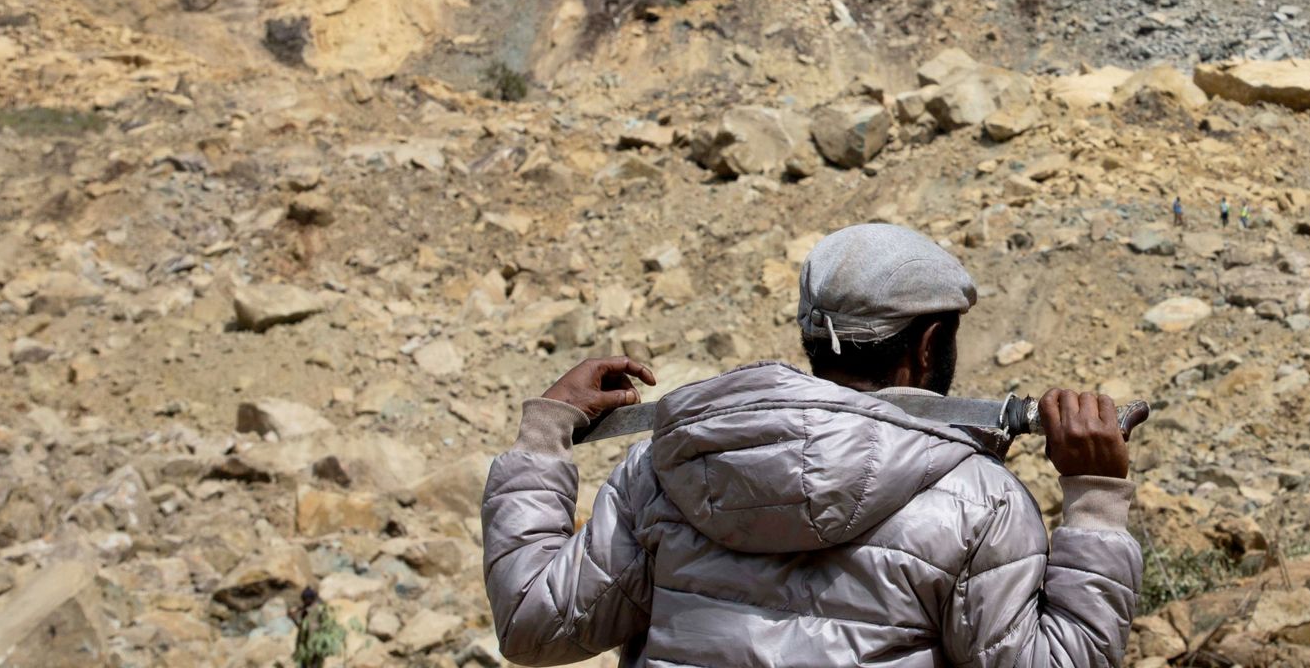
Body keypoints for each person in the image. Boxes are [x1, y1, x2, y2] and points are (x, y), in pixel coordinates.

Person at [481, 223, 1143, 667]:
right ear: (929, 345)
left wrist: (546, 434)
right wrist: (1093, 502)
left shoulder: (664, 467)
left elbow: (532, 626)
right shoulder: (981, 503)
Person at [291, 586, 344, 668]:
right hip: (307, 644)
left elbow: (309, 628)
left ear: (310, 599)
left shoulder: (316, 610)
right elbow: (303, 628)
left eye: (305, 600)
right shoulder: (309, 609)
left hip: (314, 644)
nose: (303, 602)